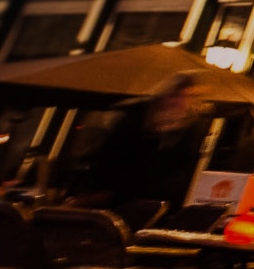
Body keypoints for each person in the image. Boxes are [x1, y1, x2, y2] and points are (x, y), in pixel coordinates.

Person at [85, 73, 210, 212]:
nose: (180, 102)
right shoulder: (133, 121)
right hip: (115, 202)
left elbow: (178, 172)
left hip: (160, 206)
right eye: (174, 95)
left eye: (189, 97)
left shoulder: (191, 130)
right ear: (161, 96)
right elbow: (112, 161)